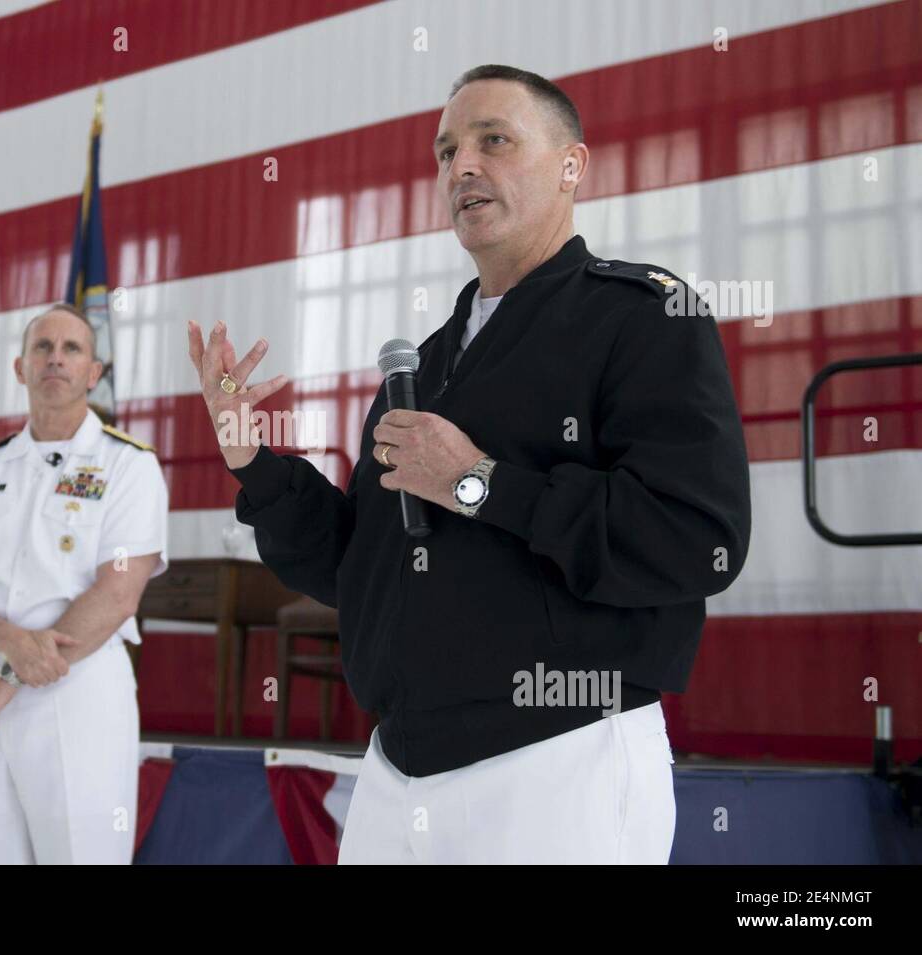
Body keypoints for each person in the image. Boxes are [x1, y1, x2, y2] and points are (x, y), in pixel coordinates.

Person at [185, 65, 751, 864]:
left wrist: (480, 481)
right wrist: (255, 462)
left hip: (558, 764)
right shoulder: (422, 365)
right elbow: (361, 573)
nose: (463, 167)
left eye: (495, 141)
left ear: (571, 165)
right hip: (395, 777)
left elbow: (698, 539)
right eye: (447, 151)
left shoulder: (643, 318)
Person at [0, 303, 168, 864]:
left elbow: (116, 595)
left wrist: (13, 673)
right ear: (20, 367)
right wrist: (7, 646)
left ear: (94, 372)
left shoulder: (129, 466)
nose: (55, 359)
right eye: (42, 348)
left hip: (77, 685)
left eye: (72, 349)